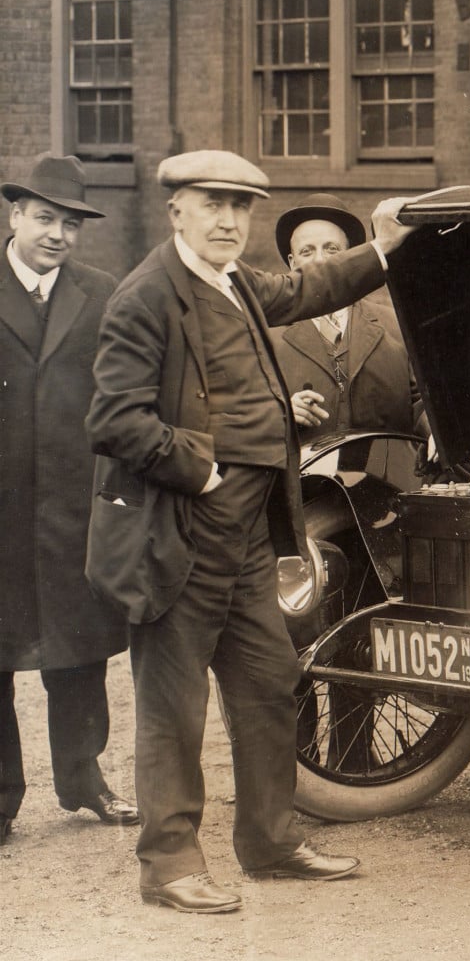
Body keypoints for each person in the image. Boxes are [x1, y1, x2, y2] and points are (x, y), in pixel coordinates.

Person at [84, 150, 415, 913]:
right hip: (180, 533)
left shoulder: (234, 281)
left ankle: (269, 842)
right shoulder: (145, 298)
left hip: (248, 539)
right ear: (176, 211)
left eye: (240, 206)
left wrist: (384, 247)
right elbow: (115, 420)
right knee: (173, 707)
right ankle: (168, 864)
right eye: (213, 204)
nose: (229, 220)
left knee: (270, 684)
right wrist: (202, 471)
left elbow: (307, 287)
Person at [0, 155, 139, 848]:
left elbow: (121, 392)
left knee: (80, 648)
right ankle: (0, 798)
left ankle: (83, 777)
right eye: (45, 218)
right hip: (1, 511)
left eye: (70, 224)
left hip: (74, 506)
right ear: (15, 215)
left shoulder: (100, 292)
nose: (57, 234)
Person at [272, 193, 422, 444]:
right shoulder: (266, 335)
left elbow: (421, 404)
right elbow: (237, 415)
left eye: (332, 249)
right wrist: (279, 413)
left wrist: (436, 434)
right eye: (307, 252)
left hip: (387, 468)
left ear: (351, 257)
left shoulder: (395, 324)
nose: (320, 260)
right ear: (292, 262)